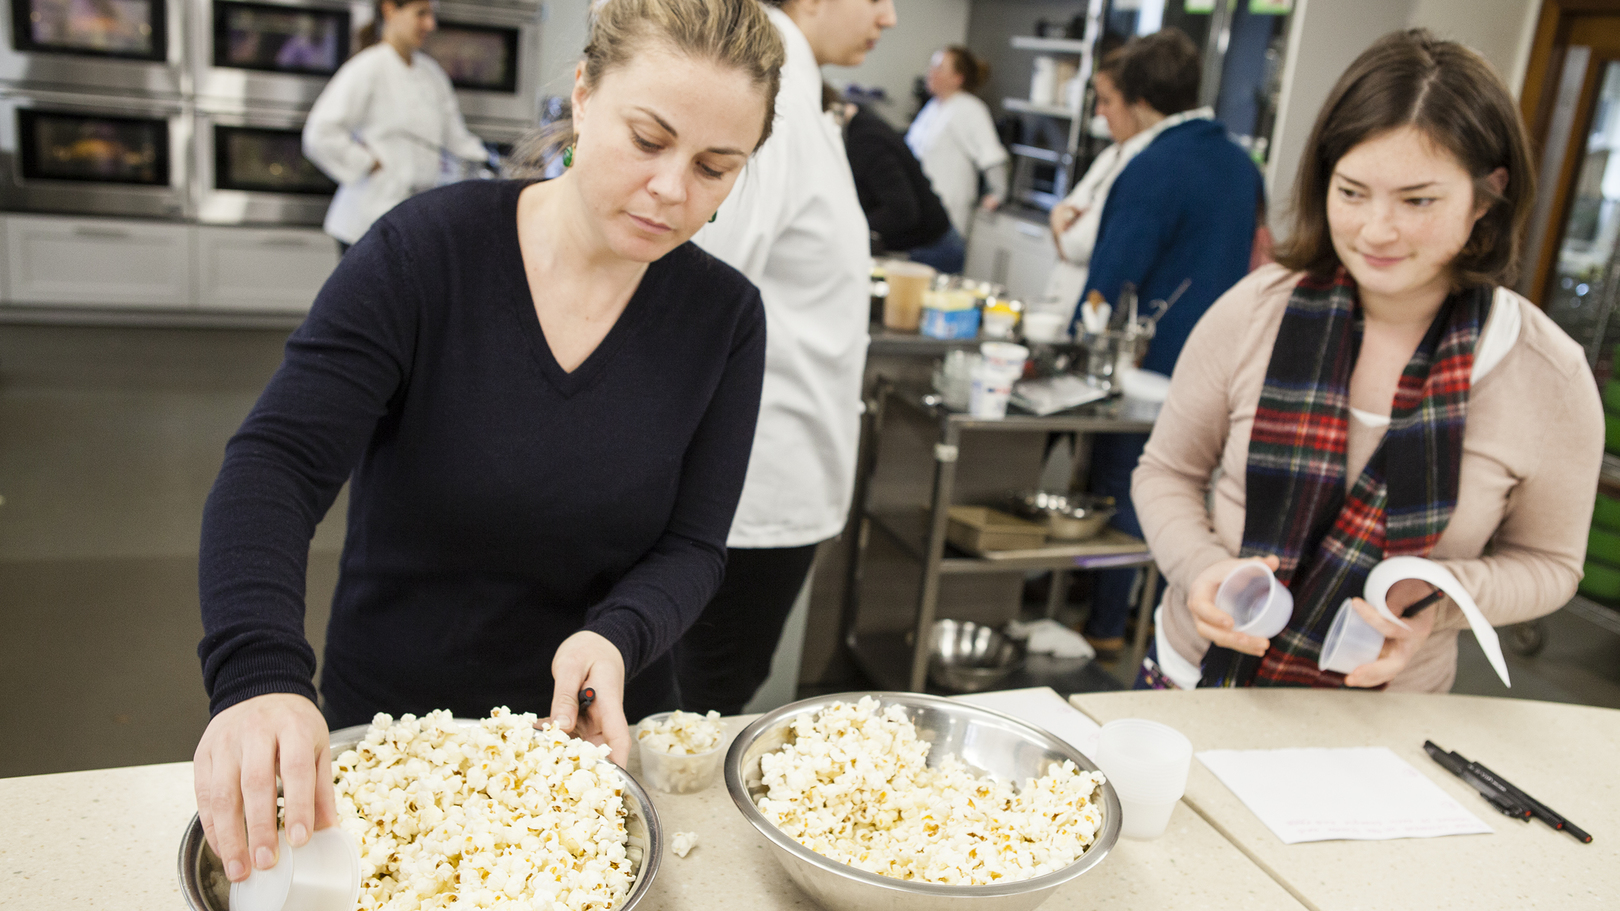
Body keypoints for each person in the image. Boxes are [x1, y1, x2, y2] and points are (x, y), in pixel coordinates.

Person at [193, 0, 784, 885]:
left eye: (714, 167)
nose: (673, 189)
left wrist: (617, 637)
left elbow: (693, 546)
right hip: (394, 734)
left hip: (586, 748)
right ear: (583, 98)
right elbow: (276, 463)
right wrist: (258, 670)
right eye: (648, 139)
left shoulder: (725, 318)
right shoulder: (425, 255)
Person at [1134, 29, 1602, 691]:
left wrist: (1436, 600)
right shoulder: (1255, 312)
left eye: (1418, 200)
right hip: (1195, 684)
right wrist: (1202, 566)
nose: (1376, 230)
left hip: (1385, 721)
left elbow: (1550, 562)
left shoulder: (1544, 372)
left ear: (1487, 195)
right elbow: (1166, 472)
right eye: (1352, 192)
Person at [675, 0, 894, 716]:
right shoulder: (770, 100)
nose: (889, 16)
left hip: (772, 480)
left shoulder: (801, 95)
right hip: (745, 489)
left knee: (713, 696)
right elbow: (700, 289)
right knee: (694, 712)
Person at [1077, 29, 1261, 660]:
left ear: (1141, 100)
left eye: (1110, 102)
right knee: (1189, 494)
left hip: (1150, 365)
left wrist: (1084, 333)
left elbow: (1113, 273)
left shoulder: (1153, 164)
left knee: (1130, 480)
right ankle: (1130, 614)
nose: (1107, 116)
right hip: (1226, 364)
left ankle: (1102, 621)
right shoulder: (1240, 162)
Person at [302, 0, 490, 253]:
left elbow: (456, 140)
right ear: (390, 9)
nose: (430, 24)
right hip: (364, 225)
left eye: (431, 14)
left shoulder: (432, 74)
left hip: (415, 223)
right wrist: (368, 163)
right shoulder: (366, 68)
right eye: (421, 14)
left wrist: (491, 165)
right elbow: (319, 134)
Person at [841, 95, 961, 271]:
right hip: (923, 242)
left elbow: (901, 210)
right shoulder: (860, 128)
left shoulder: (867, 140)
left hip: (932, 247)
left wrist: (847, 229)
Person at [905, 45, 1008, 240]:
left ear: (957, 78)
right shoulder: (933, 107)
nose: (930, 73)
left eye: (939, 68)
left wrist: (997, 193)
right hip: (921, 212)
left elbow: (991, 154)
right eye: (931, 67)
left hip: (948, 215)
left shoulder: (970, 109)